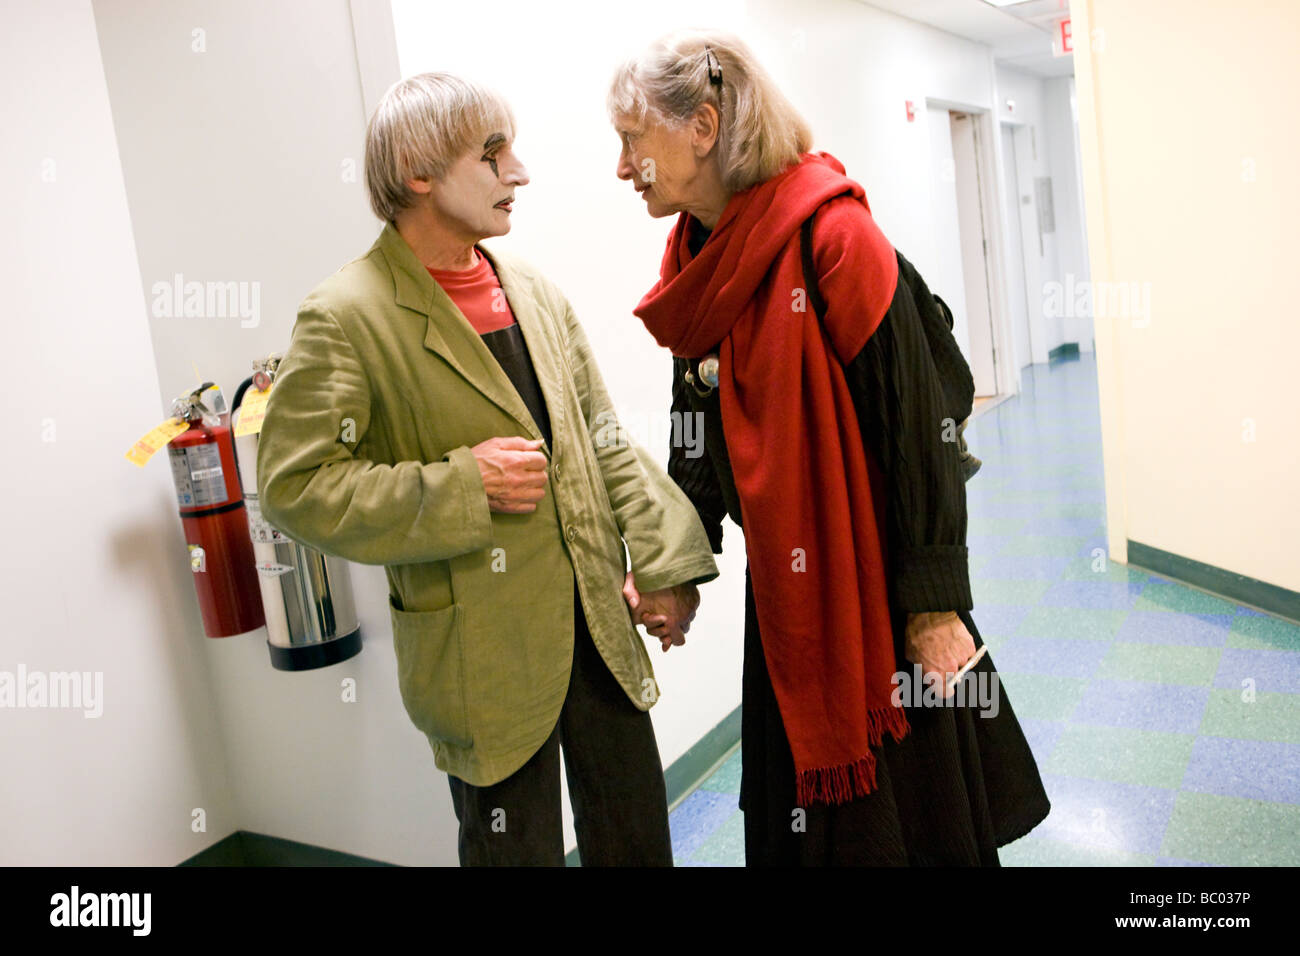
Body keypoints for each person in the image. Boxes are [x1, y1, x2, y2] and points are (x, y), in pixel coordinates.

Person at [608, 30, 1051, 865]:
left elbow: (924, 433)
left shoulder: (836, 240)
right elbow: (696, 421)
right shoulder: (697, 259)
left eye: (633, 140)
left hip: (884, 597)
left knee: (917, 826)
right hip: (788, 599)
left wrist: (933, 607)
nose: (623, 165)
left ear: (703, 126)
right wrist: (676, 562)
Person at [256, 72, 719, 866]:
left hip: (596, 629)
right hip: (482, 656)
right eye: (493, 153)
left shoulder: (532, 292)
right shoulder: (346, 315)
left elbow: (602, 437)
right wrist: (460, 487)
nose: (521, 172)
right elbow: (296, 488)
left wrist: (668, 562)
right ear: (419, 171)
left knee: (635, 838)